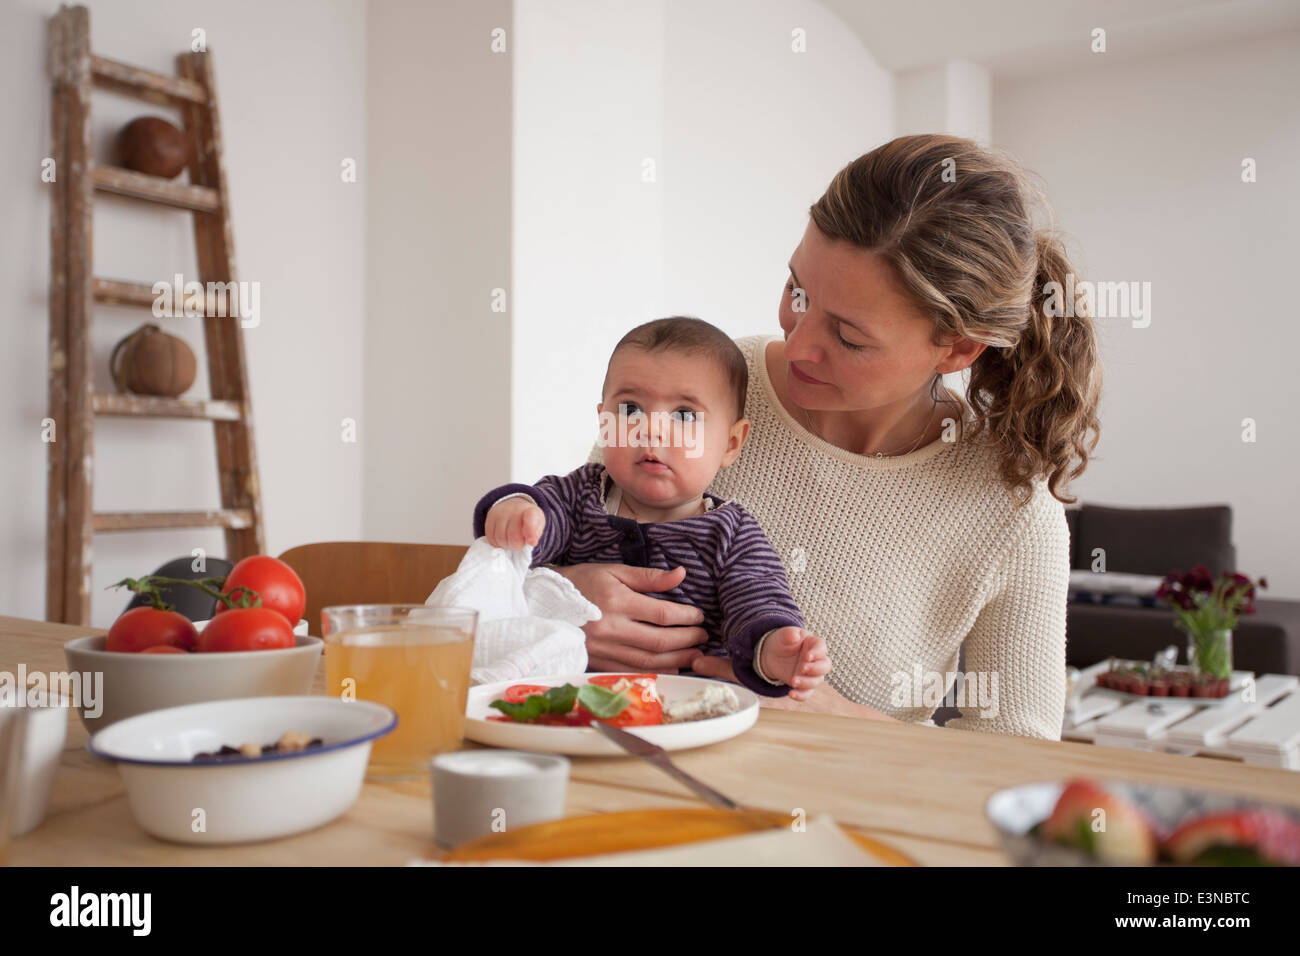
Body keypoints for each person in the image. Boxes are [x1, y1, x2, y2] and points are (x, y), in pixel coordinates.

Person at [556, 134, 1101, 740]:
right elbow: (562, 534)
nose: (798, 342)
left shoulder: (1011, 502)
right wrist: (560, 597)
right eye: (798, 292)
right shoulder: (705, 387)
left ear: (958, 348)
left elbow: (1019, 757)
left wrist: (854, 726)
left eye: (848, 336)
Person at [475, 316, 832, 701]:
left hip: (688, 708)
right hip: (574, 702)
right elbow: (534, 523)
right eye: (630, 409)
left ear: (730, 443)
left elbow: (758, 600)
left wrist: (773, 649)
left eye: (683, 415)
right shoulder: (579, 495)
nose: (652, 430)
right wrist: (516, 509)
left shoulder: (731, 532)